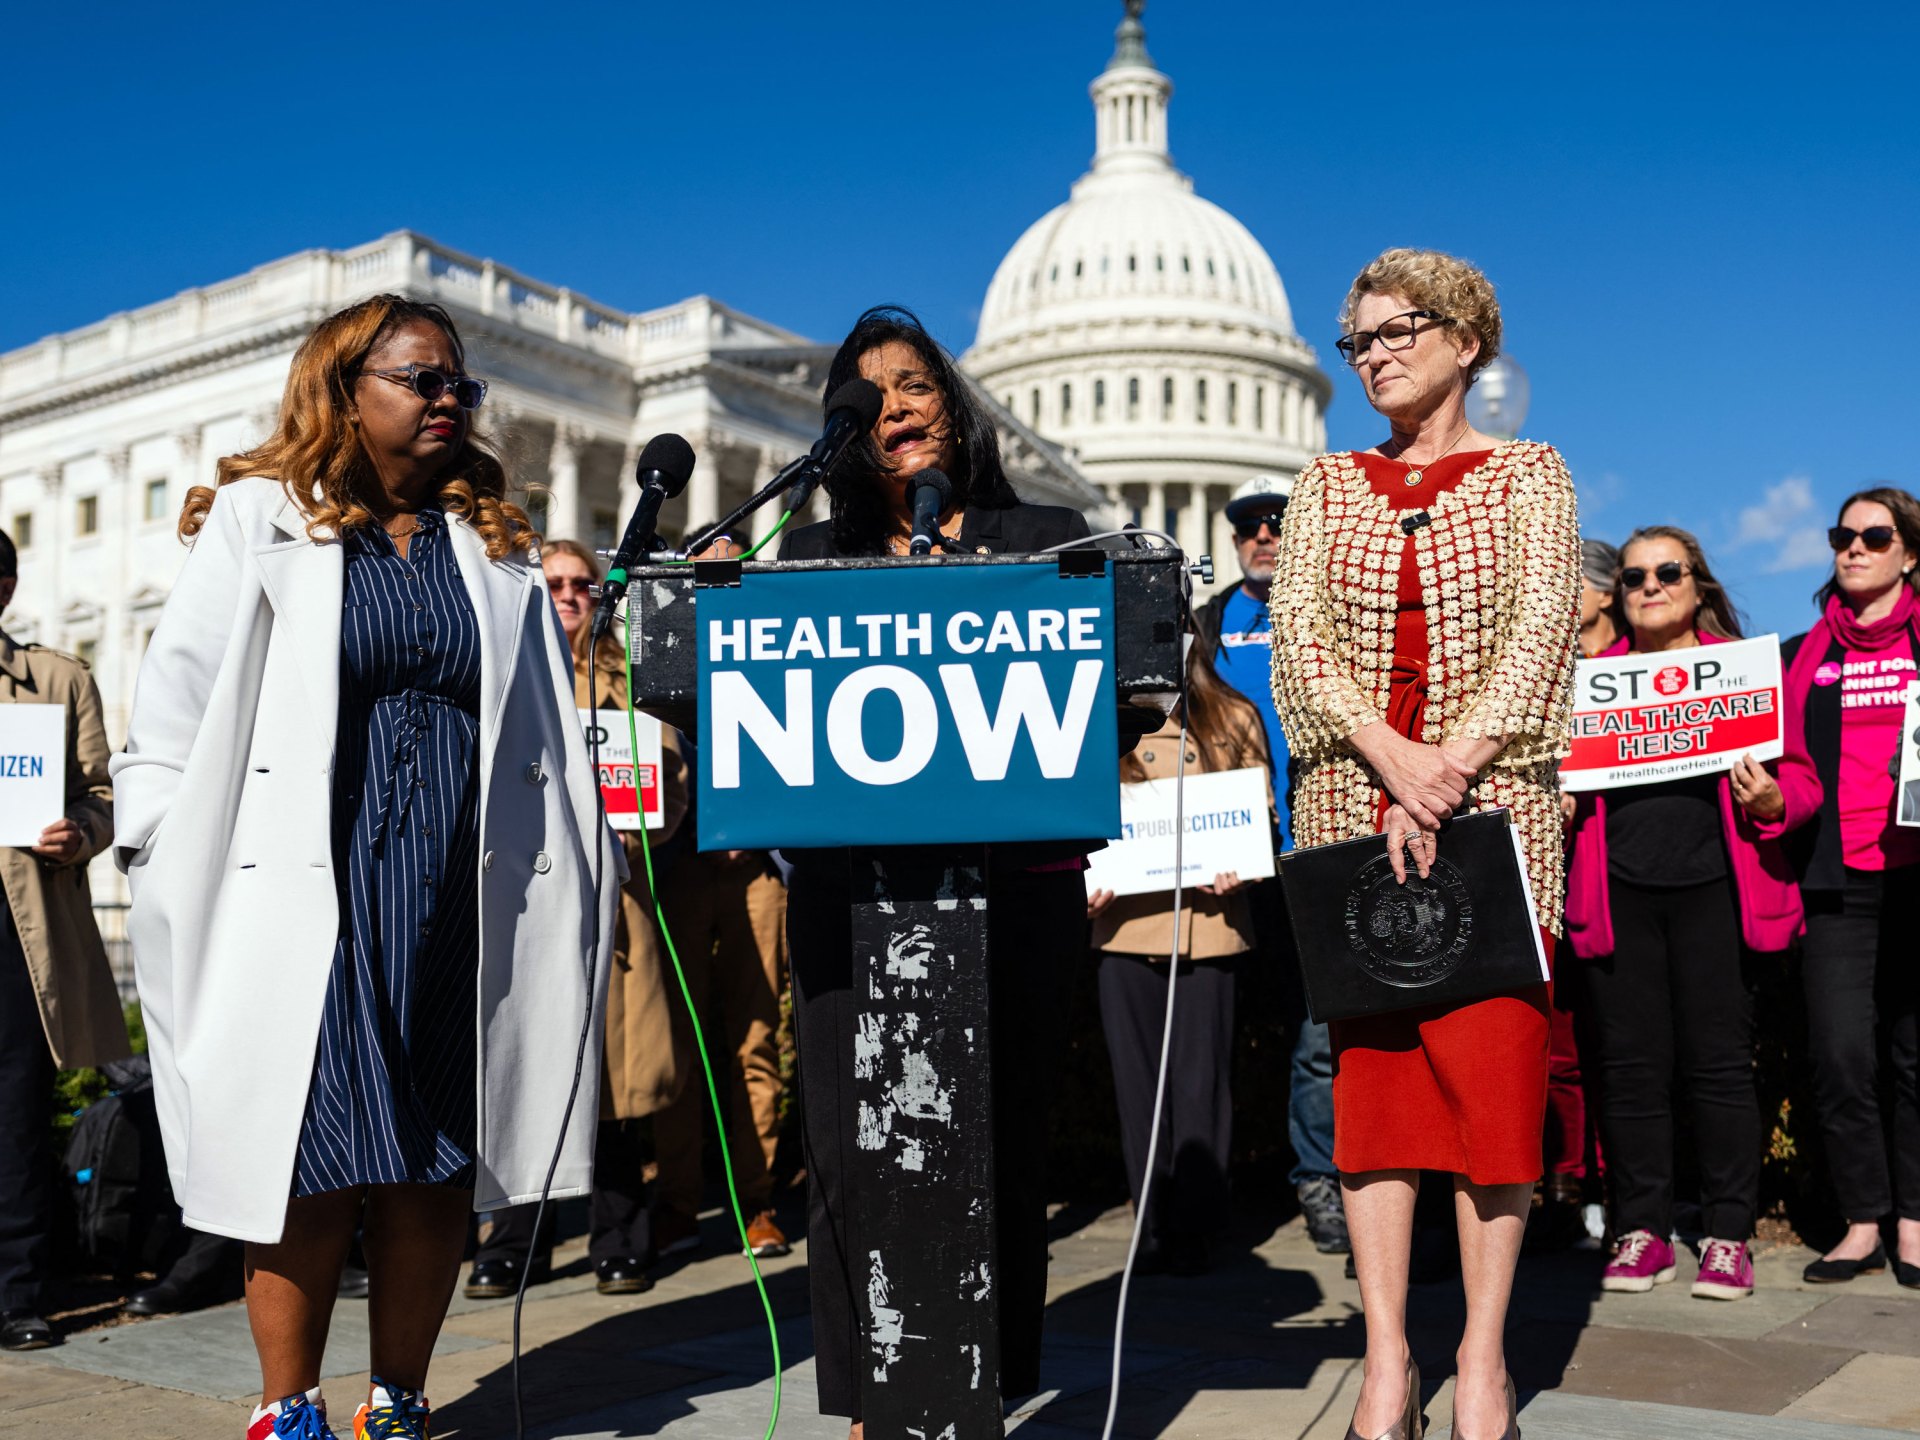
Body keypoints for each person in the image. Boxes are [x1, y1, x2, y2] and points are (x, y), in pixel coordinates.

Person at [111, 296, 619, 1440]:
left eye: (460, 386)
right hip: (307, 883)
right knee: (305, 1143)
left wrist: (586, 873)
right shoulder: (260, 518)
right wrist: (148, 848)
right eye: (420, 379)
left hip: (456, 882)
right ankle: (287, 1407)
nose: (449, 399)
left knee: (438, 1152)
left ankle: (398, 1398)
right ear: (344, 390)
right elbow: (176, 702)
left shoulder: (491, 548)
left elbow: (540, 733)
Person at [1271, 248, 1579, 1440]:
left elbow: (1543, 628)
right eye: (1357, 339)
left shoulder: (1529, 477)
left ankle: (1485, 1361)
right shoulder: (1324, 485)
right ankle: (1388, 1360)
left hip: (1496, 824)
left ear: (1465, 340)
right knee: (1377, 1102)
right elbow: (1300, 642)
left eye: (1398, 330)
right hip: (1356, 821)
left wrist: (1444, 770)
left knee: (1494, 1100)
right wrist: (1389, 759)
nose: (1374, 354)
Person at [777, 306, 1096, 1437]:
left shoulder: (1047, 536)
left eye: (913, 385)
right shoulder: (809, 558)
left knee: (998, 1146)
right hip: (846, 894)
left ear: (955, 406)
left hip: (1014, 890)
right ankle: (871, 1398)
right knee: (849, 1147)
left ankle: (980, 1384)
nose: (894, 409)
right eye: (864, 401)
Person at [1563, 526, 1805, 1305]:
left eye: (1668, 572)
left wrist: (1774, 800)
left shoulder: (1744, 672)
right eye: (1634, 577)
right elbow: (1550, 790)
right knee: (1630, 1070)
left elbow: (1802, 781)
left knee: (1719, 1068)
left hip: (1715, 893)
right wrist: (1558, 802)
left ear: (1698, 582)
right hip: (1620, 894)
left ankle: (1728, 1236)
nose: (1649, 586)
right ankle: (1642, 1230)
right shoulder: (1588, 684)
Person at [464, 537, 692, 1300]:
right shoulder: (501, 672)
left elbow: (668, 784)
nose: (566, 595)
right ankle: (509, 1239)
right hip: (523, 901)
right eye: (553, 583)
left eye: (581, 585)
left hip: (614, 908)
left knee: (617, 1080)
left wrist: (642, 824)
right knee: (521, 1064)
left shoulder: (631, 687)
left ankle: (619, 1237)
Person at [1088, 609, 1274, 1275]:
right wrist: (1086, 879)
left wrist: (1244, 864)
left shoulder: (1231, 715)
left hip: (1210, 926)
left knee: (1202, 1087)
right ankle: (1153, 1224)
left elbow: (1260, 817)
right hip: (1125, 925)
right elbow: (1076, 819)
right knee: (1139, 1091)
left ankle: (1198, 1227)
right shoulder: (1095, 715)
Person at [1777, 489, 1920, 1289]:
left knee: (1914, 1057)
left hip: (1917, 878)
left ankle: (1915, 1224)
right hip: (1838, 882)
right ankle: (1862, 1223)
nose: (1855, 547)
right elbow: (1798, 777)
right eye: (1844, 534)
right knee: (1838, 1056)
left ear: (1910, 553)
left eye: (1876, 534)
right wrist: (1772, 802)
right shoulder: (1803, 654)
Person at [1200, 485, 1345, 1255]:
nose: (1263, 537)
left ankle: (1318, 1178)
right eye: (1247, 528)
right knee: (1220, 1029)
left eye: (1277, 525)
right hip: (1223, 857)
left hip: (1312, 847)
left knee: (1317, 1034)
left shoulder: (1332, 619)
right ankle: (1216, 1185)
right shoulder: (1203, 628)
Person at [0, 528, 130, 1352]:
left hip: (19, 928)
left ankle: (17, 1294)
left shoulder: (56, 680)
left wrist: (78, 833)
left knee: (13, 1113)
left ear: (5, 587)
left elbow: (103, 795)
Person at [649, 531, 792, 1263]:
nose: (720, 572)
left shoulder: (775, 637)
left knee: (756, 1038)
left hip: (756, 869)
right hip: (682, 862)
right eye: (708, 563)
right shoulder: (666, 638)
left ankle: (756, 1203)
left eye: (733, 561)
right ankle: (675, 1201)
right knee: (674, 1040)